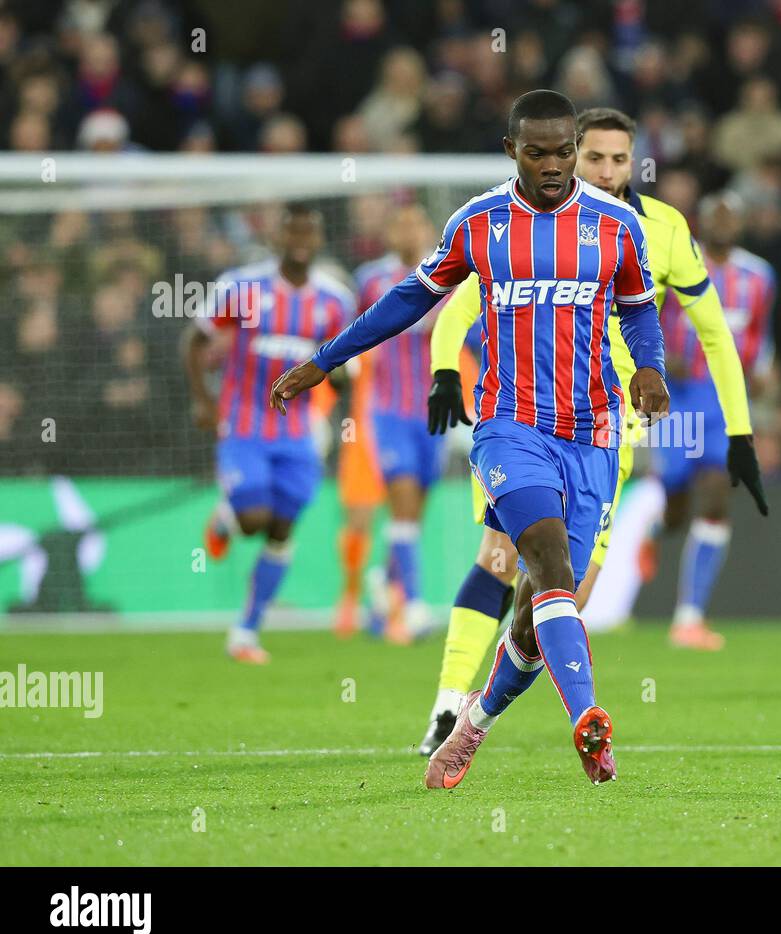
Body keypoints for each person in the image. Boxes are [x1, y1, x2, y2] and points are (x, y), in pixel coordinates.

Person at [268, 90, 669, 787]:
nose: (553, 164)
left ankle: (471, 724)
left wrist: (653, 372)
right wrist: (326, 357)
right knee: (544, 562)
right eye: (537, 151)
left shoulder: (615, 227)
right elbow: (410, 299)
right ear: (511, 150)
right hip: (509, 429)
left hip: (596, 432)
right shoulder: (478, 223)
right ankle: (590, 722)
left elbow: (638, 312)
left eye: (563, 151)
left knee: (538, 617)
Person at [417, 106, 765, 754]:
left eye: (617, 160)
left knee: (557, 595)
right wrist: (445, 370)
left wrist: (739, 433)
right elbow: (457, 305)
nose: (604, 171)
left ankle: (476, 717)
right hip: (519, 417)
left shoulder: (657, 231)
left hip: (607, 433)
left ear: (633, 164)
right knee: (499, 560)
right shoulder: (530, 222)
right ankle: (444, 707)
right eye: (594, 157)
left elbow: (715, 332)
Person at [186, 204, 356, 663]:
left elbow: (343, 364)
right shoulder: (241, 287)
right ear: (278, 237)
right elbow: (196, 340)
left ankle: (246, 630)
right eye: (293, 230)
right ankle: (226, 514)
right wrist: (204, 400)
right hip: (244, 424)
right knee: (254, 519)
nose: (301, 239)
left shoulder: (335, 300)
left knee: (281, 529)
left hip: (299, 432)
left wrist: (341, 381)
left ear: (319, 240)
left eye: (309, 231)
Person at [639, 191, 776, 649]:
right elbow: (646, 311)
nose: (722, 222)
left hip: (723, 400)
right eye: (714, 213)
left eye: (730, 215)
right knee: (678, 499)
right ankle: (658, 529)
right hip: (680, 397)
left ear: (741, 223)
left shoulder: (758, 275)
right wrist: (658, 358)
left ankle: (690, 616)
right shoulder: (680, 259)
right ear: (702, 220)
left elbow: (761, 332)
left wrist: (760, 371)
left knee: (716, 492)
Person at [347, 203, 448, 643]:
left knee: (413, 514)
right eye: (400, 223)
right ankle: (415, 607)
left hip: (432, 412)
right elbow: (347, 326)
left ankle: (381, 587)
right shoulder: (371, 280)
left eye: (416, 223)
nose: (409, 231)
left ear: (428, 230)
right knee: (402, 502)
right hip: (386, 411)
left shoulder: (450, 276)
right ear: (389, 233)